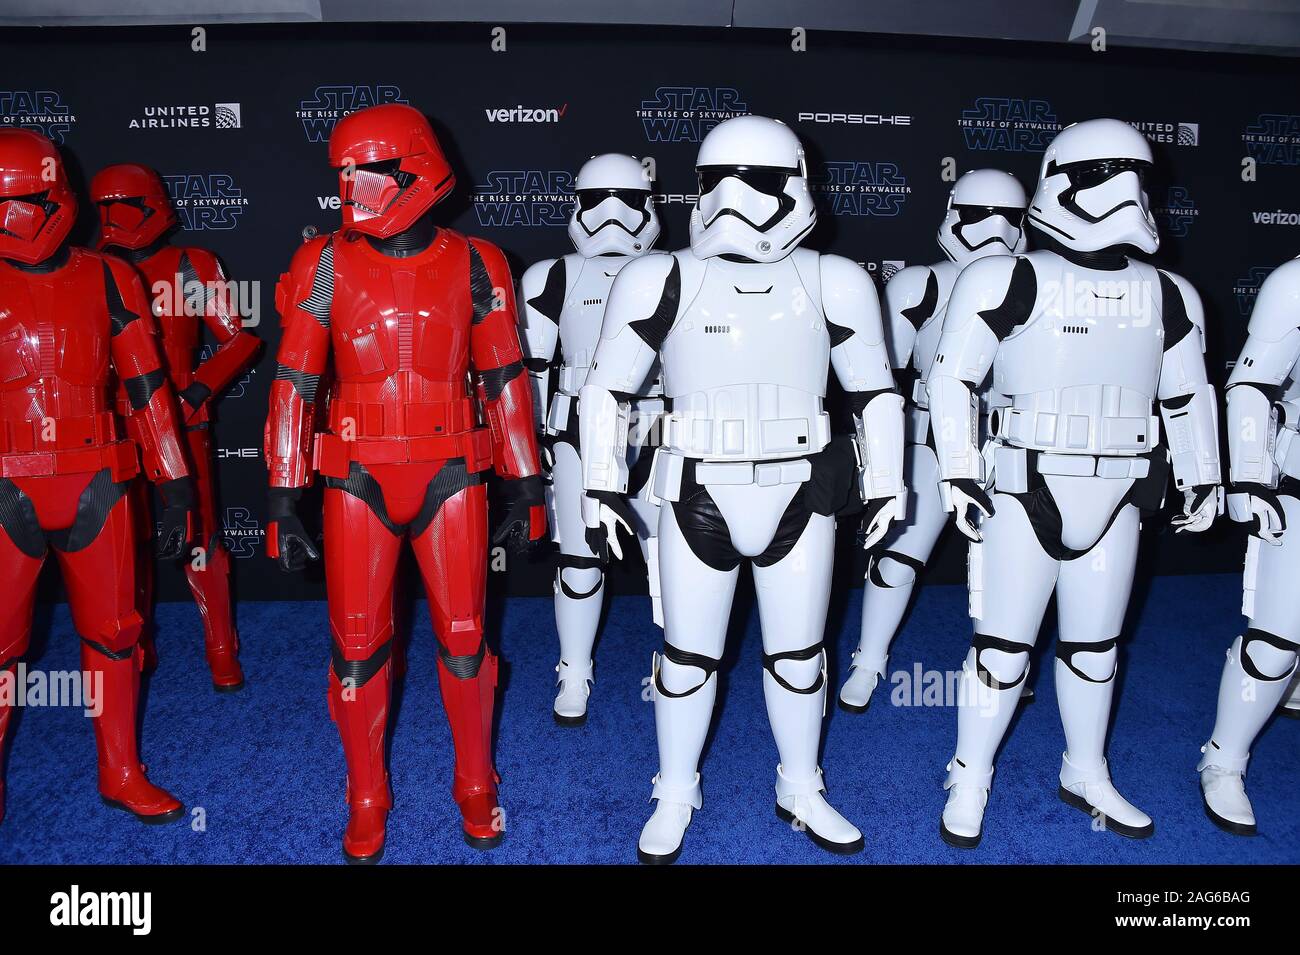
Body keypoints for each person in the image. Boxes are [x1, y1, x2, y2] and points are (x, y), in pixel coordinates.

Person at [580, 115, 905, 863]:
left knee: (799, 655)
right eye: (713, 181)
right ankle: (674, 785)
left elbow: (877, 391)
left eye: (756, 181)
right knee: (687, 656)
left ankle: (801, 782)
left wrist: (889, 484)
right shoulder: (661, 274)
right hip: (699, 485)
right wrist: (600, 484)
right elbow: (608, 389)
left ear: (794, 185)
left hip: (801, 487)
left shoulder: (834, 278)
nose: (732, 198)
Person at [928, 119, 1222, 848]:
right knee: (1002, 645)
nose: (1123, 192)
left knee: (1095, 646)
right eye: (1101, 175)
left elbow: (1188, 395)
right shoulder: (1006, 275)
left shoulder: (1170, 293)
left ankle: (1085, 767)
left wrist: (1204, 474)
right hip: (1024, 482)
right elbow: (952, 377)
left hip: (1120, 488)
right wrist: (960, 468)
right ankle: (970, 770)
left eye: (1135, 176)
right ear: (1059, 181)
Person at [264, 103, 545, 863]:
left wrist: (526, 481)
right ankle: (366, 792)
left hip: (453, 471)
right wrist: (285, 491)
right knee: (357, 646)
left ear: (416, 168)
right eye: (343, 172)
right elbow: (293, 379)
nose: (352, 186)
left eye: (370, 169)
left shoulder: (479, 261)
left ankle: (476, 780)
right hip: (356, 476)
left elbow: (505, 376)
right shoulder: (323, 261)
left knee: (464, 640)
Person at [0, 129, 195, 827]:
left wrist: (174, 481)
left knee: (116, 632)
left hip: (98, 482)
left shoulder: (111, 275)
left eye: (17, 201)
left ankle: (120, 769)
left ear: (54, 195)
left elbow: (147, 388)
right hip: (6, 488)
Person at [839, 168, 1029, 713]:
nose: (992, 229)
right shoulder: (921, 284)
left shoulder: (1037, 282)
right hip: (930, 438)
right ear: (953, 215)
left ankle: (1005, 660)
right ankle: (869, 660)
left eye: (1007, 218)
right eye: (978, 215)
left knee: (1010, 569)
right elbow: (879, 378)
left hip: (1010, 440)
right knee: (897, 558)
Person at [93, 162, 260, 690]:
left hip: (183, 420)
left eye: (127, 206)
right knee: (123, 542)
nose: (118, 219)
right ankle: (133, 650)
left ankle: (221, 650)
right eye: (107, 208)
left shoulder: (190, 264)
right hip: (114, 425)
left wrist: (195, 390)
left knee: (199, 538)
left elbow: (239, 338)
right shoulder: (92, 271)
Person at [519, 152, 664, 725]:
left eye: (628, 202)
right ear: (575, 205)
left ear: (648, 208)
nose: (611, 217)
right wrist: (533, 447)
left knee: (672, 560)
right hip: (577, 426)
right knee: (580, 559)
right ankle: (574, 668)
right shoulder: (551, 275)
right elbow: (531, 369)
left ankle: (677, 663)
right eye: (596, 200)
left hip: (657, 424)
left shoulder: (674, 269)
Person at [1199, 254, 1300, 835]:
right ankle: (1223, 758)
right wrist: (1249, 477)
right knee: (1274, 643)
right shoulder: (1293, 284)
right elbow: (1251, 384)